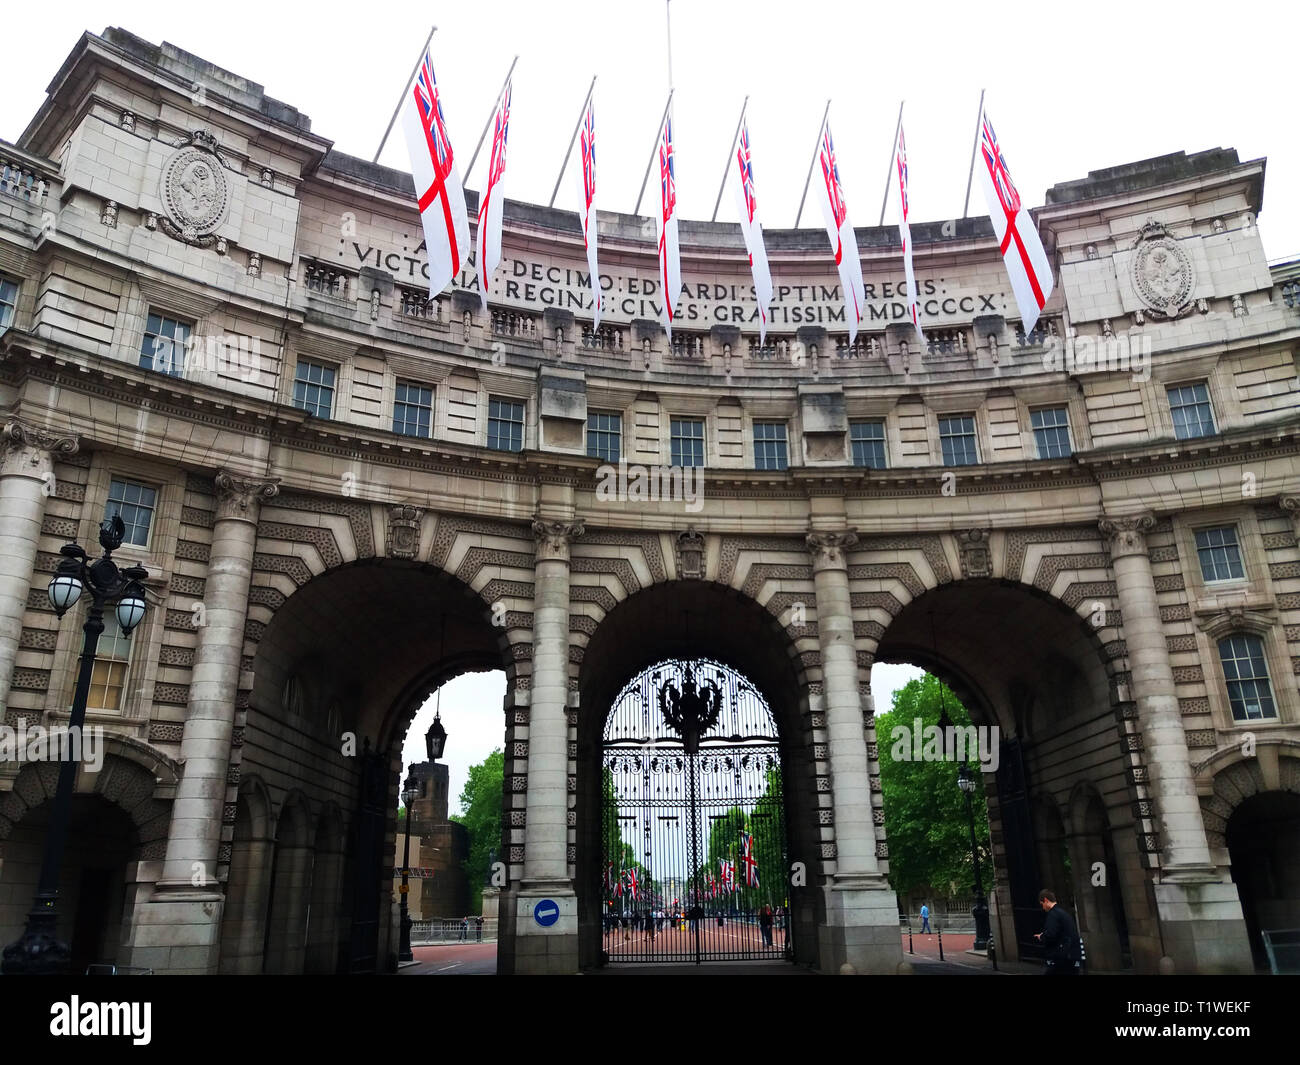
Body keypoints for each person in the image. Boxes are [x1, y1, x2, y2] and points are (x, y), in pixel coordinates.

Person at [1033, 889, 1082, 975]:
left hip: (1062, 957)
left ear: (1046, 900)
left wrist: (1042, 937)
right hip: (1072, 955)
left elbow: (1051, 934)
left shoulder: (1053, 914)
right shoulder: (1063, 913)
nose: (1043, 908)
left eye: (1042, 904)